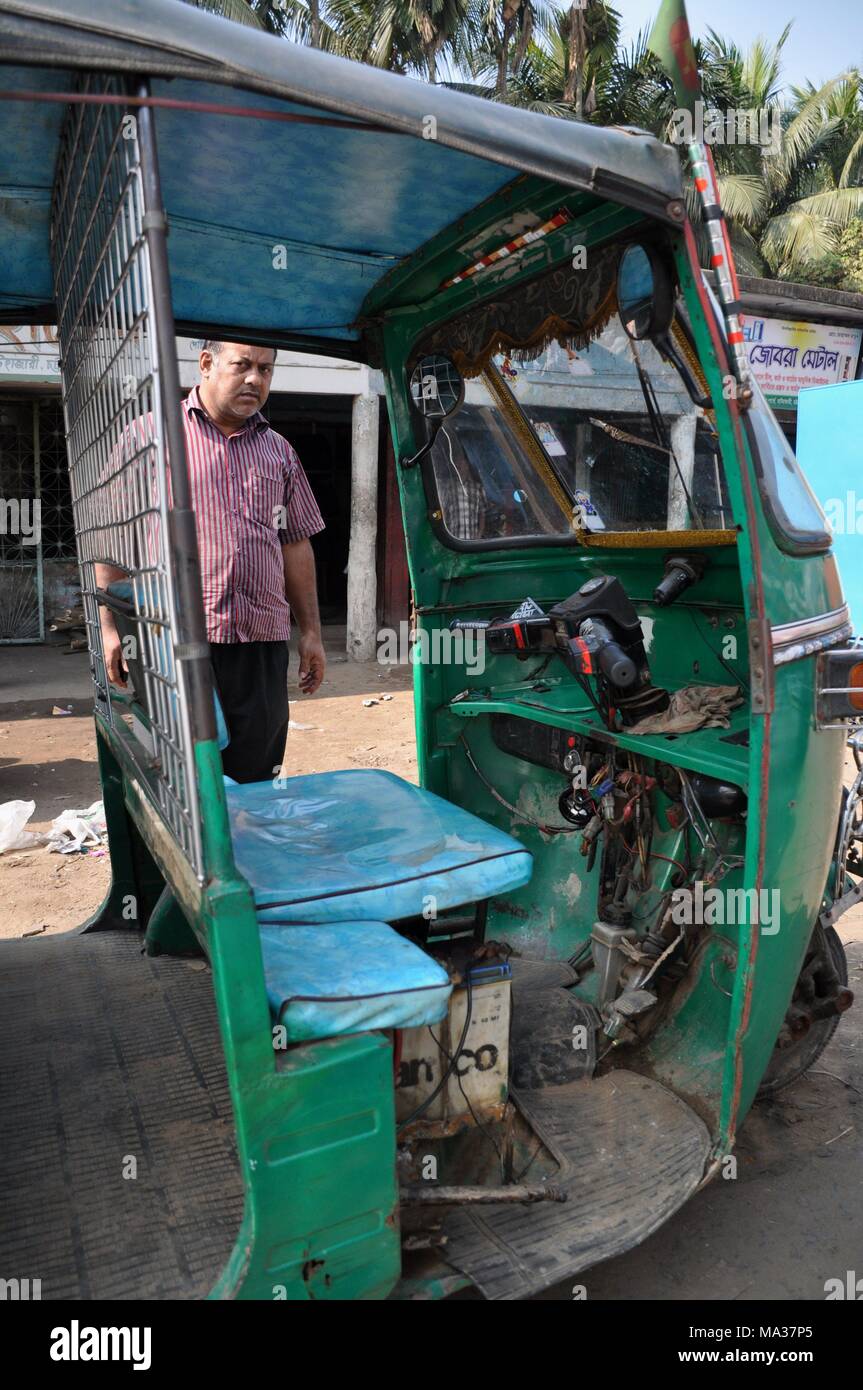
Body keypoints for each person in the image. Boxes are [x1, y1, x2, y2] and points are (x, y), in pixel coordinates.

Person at [97, 341, 326, 783]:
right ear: (207, 364)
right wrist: (110, 628)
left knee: (257, 769)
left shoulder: (279, 451)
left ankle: (245, 851)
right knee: (184, 776)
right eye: (242, 366)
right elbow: (113, 537)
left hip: (260, 639)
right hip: (174, 640)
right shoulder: (149, 437)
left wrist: (312, 632)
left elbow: (295, 543)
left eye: (266, 370)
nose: (255, 379)